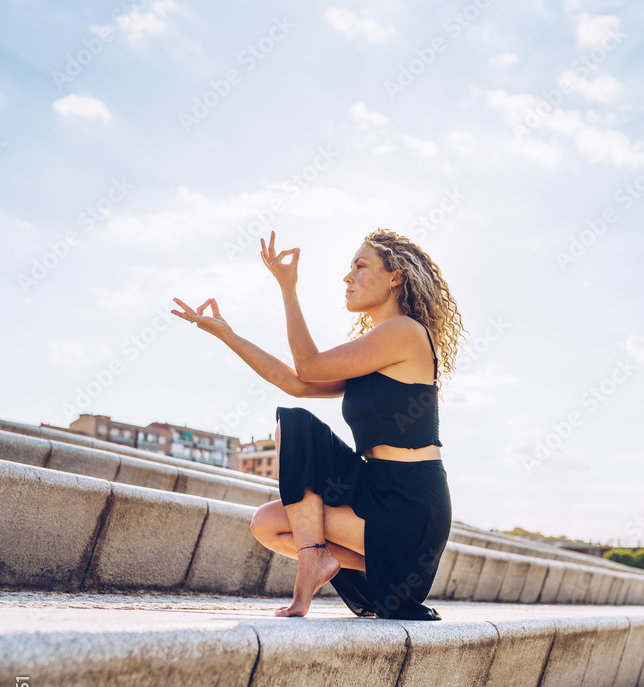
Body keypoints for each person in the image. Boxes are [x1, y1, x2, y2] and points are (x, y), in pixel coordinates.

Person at [171, 227, 465, 620]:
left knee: (296, 427)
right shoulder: (376, 348)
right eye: (350, 268)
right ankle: (322, 559)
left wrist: (289, 289)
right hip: (377, 490)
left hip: (409, 506)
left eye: (361, 266)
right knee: (268, 524)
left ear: (396, 277)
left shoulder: (405, 332)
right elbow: (295, 381)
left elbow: (308, 366)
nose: (348, 277)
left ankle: (312, 563)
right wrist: (229, 335)